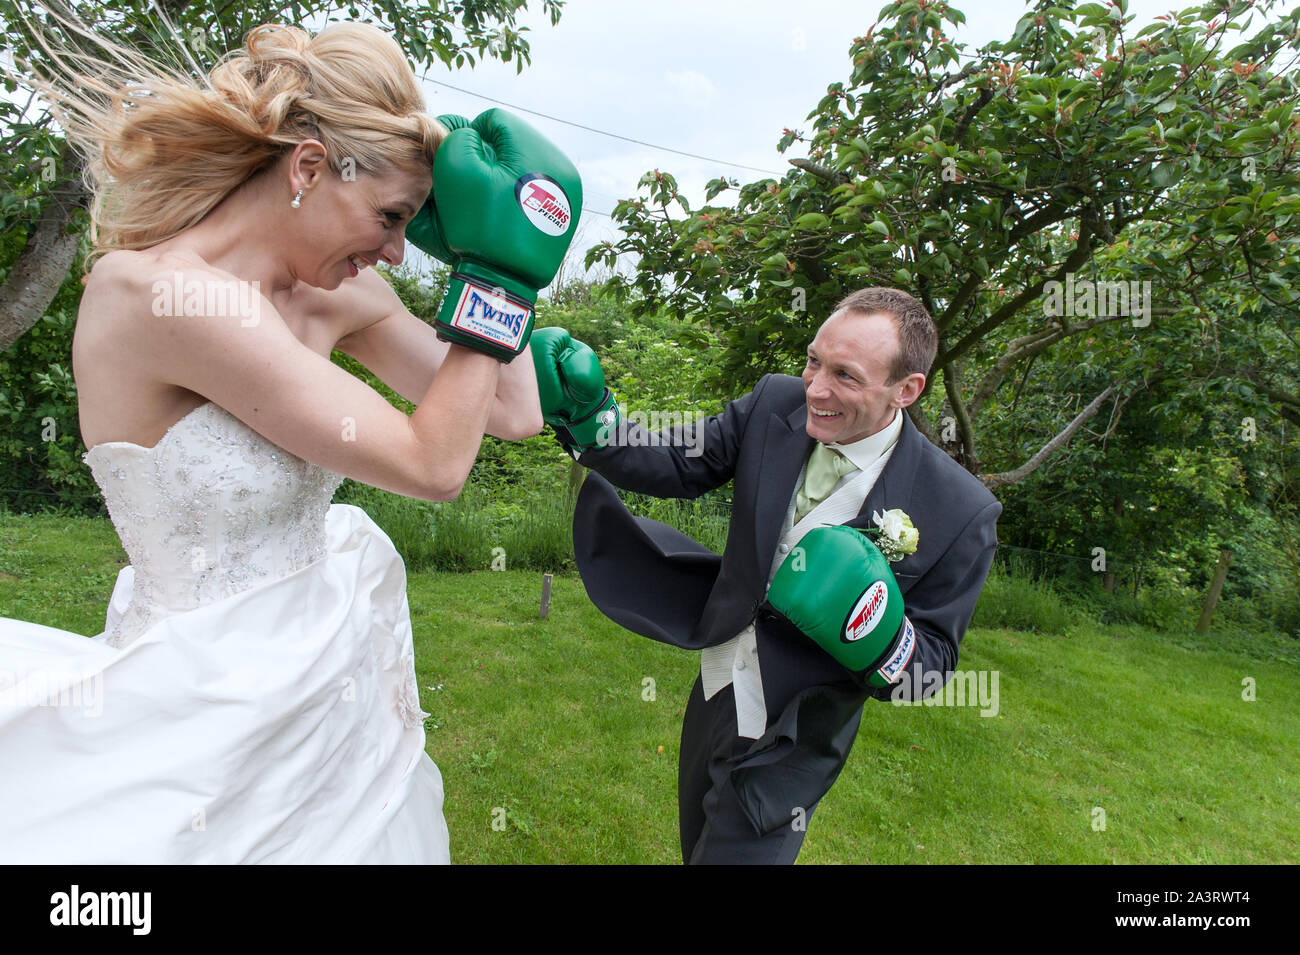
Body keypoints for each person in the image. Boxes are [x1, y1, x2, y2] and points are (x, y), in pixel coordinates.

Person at [0, 19, 579, 863]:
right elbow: (434, 463)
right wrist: (493, 286)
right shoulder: (160, 296)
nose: (391, 249)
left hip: (323, 691)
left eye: (410, 227)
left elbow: (513, 410)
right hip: (200, 704)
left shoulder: (335, 295)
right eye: (389, 217)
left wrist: (480, 261)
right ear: (309, 168)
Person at [533, 288, 1002, 864]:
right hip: (716, 687)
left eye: (845, 376)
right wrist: (594, 420)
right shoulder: (775, 403)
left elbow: (928, 669)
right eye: (813, 361)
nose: (815, 388)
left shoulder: (961, 509)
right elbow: (682, 460)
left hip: (795, 738)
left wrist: (873, 630)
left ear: (906, 390)